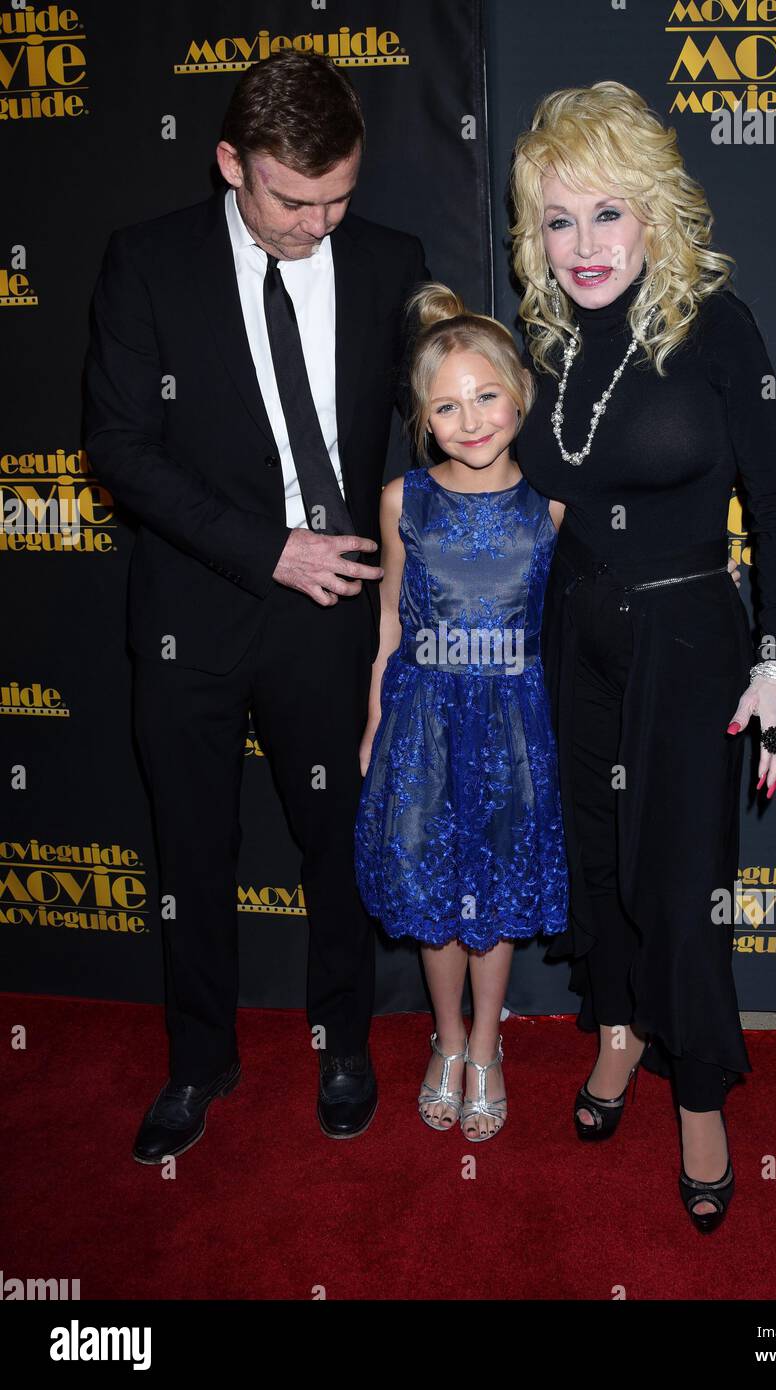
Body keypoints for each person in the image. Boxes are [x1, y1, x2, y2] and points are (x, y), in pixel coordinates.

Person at [81, 50, 430, 1161]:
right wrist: (265, 548)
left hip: (333, 606)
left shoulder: (390, 263)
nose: (315, 225)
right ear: (232, 162)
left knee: (337, 842)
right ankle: (198, 1062)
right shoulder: (148, 264)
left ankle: (343, 1043)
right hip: (193, 602)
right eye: (291, 199)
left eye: (338, 198)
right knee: (191, 848)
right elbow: (120, 450)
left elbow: (438, 430)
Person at [509, 81, 776, 1229]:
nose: (582, 246)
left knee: (680, 889)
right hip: (572, 637)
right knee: (601, 864)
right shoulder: (539, 336)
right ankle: (621, 1030)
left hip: (689, 644)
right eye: (556, 219)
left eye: (607, 214)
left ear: (655, 214)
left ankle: (697, 1093)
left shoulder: (715, 324)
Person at [353, 283, 570, 1141]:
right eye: (447, 406)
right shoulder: (403, 499)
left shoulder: (552, 505)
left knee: (497, 891)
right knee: (433, 891)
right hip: (424, 719)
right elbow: (386, 623)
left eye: (486, 396)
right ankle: (445, 1040)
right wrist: (375, 721)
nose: (471, 420)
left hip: (514, 721)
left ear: (519, 391)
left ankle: (488, 1044)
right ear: (423, 418)